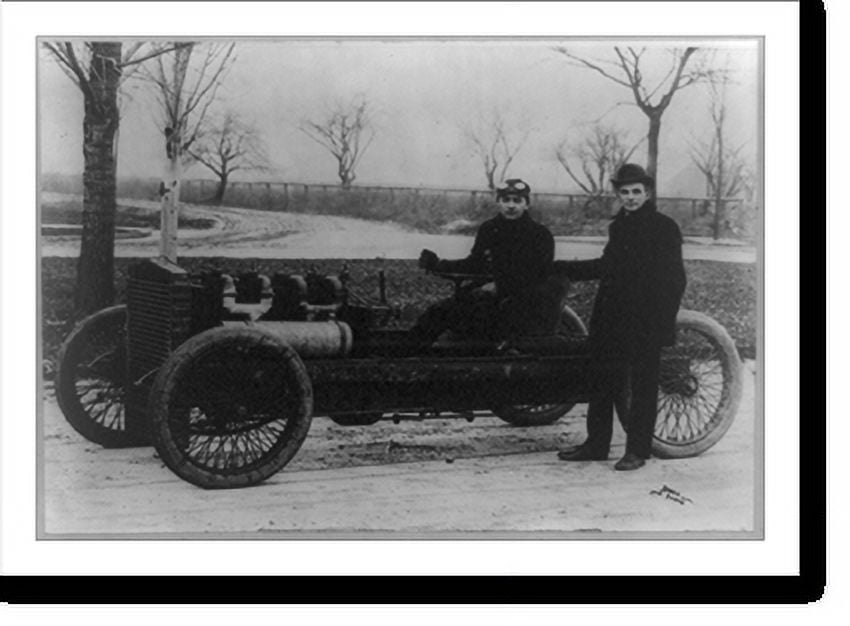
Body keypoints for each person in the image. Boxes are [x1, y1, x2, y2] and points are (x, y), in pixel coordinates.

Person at [556, 163, 686, 471]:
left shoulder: (664, 227)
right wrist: (564, 268)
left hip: (645, 321)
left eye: (636, 192)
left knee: (642, 387)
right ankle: (597, 444)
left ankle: (637, 450)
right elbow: (607, 266)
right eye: (624, 192)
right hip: (611, 316)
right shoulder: (619, 226)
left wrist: (662, 324)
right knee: (601, 380)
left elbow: (675, 280)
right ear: (618, 194)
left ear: (648, 193)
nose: (630, 198)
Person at [411, 178, 555, 344]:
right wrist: (438, 264)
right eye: (506, 200)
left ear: (526, 204)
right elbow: (474, 263)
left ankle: (477, 355)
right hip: (486, 295)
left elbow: (539, 274)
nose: (511, 205)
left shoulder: (540, 235)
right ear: (498, 202)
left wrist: (500, 285)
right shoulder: (489, 229)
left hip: (522, 300)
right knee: (437, 312)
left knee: (477, 321)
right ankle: (411, 353)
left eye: (517, 200)